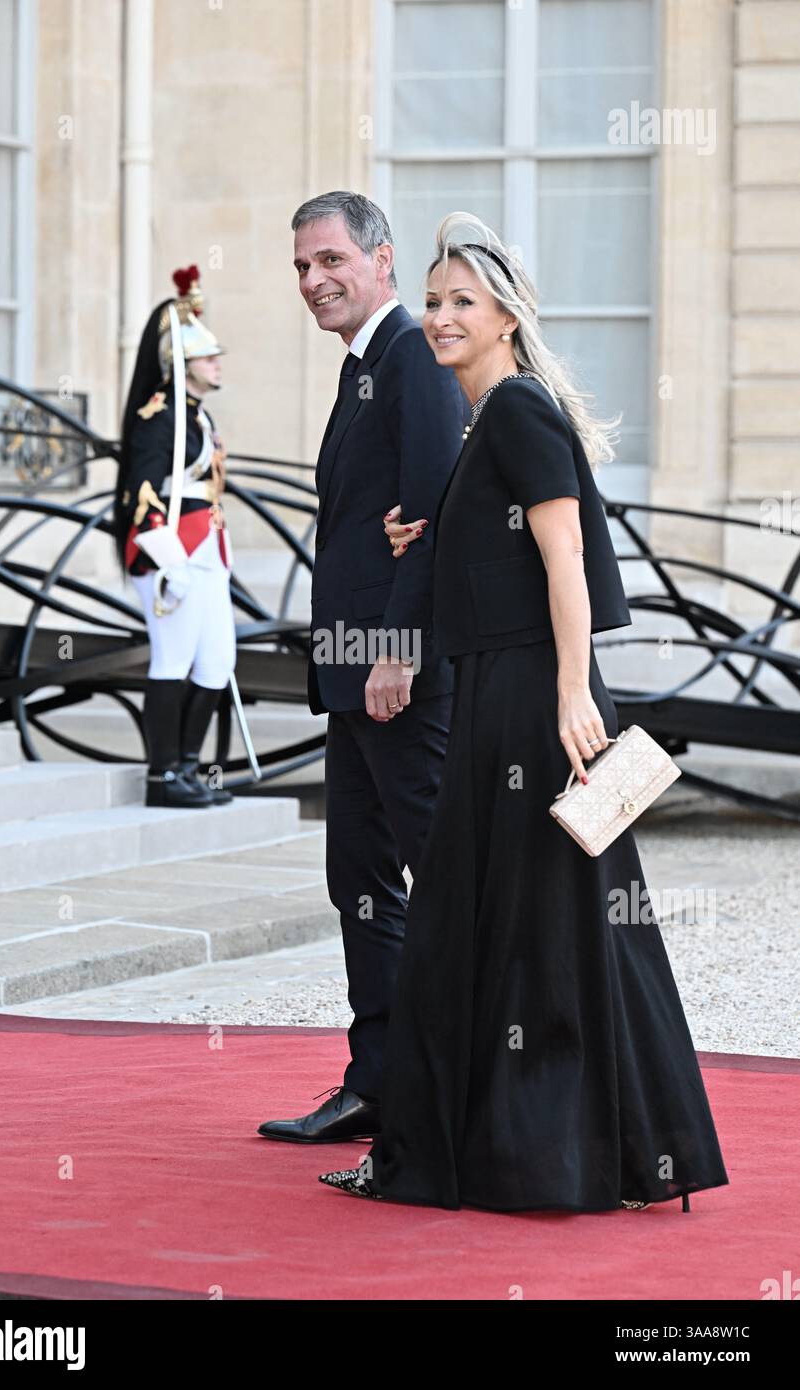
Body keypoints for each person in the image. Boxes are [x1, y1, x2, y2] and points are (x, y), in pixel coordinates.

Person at [318, 212, 730, 1212]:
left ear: (507, 314)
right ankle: (590, 1153)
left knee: (512, 929)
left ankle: (534, 1153)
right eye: (432, 300)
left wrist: (571, 691)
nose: (441, 316)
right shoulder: (489, 422)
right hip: (505, 699)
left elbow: (565, 562)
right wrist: (433, 536)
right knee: (550, 927)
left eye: (463, 300)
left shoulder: (510, 409)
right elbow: (512, 550)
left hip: (528, 705)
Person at [256, 192, 467, 1144]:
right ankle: (378, 1083)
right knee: (362, 881)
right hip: (356, 682)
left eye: (331, 259)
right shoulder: (364, 367)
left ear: (382, 259)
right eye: (302, 266)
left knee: (440, 876)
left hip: (397, 680)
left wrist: (398, 650)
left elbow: (431, 515)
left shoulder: (415, 356)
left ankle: (460, 1094)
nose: (314, 281)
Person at [114, 266, 236, 809]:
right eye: (208, 357)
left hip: (207, 548)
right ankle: (161, 776)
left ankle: (187, 766)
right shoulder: (157, 418)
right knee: (173, 658)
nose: (216, 364)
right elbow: (142, 493)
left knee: (217, 662)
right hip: (169, 553)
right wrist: (168, 560)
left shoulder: (197, 417)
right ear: (182, 365)